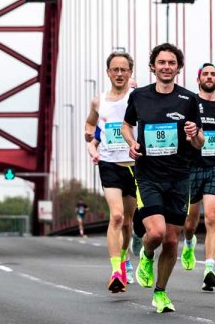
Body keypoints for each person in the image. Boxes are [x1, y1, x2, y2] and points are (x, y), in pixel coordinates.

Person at [121, 43, 205, 314]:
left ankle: (160, 292)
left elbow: (200, 143)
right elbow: (126, 125)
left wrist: (194, 135)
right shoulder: (140, 97)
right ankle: (146, 255)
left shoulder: (189, 99)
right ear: (153, 66)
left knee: (171, 241)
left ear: (178, 67)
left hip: (180, 176)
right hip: (148, 175)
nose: (166, 67)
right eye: (162, 62)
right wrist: (131, 143)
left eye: (171, 63)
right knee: (156, 233)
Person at [85, 50, 140, 294]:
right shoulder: (99, 101)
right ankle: (116, 270)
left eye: (123, 69)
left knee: (128, 222)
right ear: (108, 72)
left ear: (130, 72)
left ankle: (126, 259)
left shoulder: (137, 97)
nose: (119, 74)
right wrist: (89, 138)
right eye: (114, 69)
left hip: (134, 165)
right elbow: (90, 122)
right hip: (109, 164)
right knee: (116, 216)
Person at [181, 63, 215, 291]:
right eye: (206, 74)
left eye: (213, 74)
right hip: (192, 167)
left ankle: (209, 267)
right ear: (199, 78)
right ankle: (189, 241)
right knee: (190, 222)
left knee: (212, 216)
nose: (210, 77)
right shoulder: (190, 103)